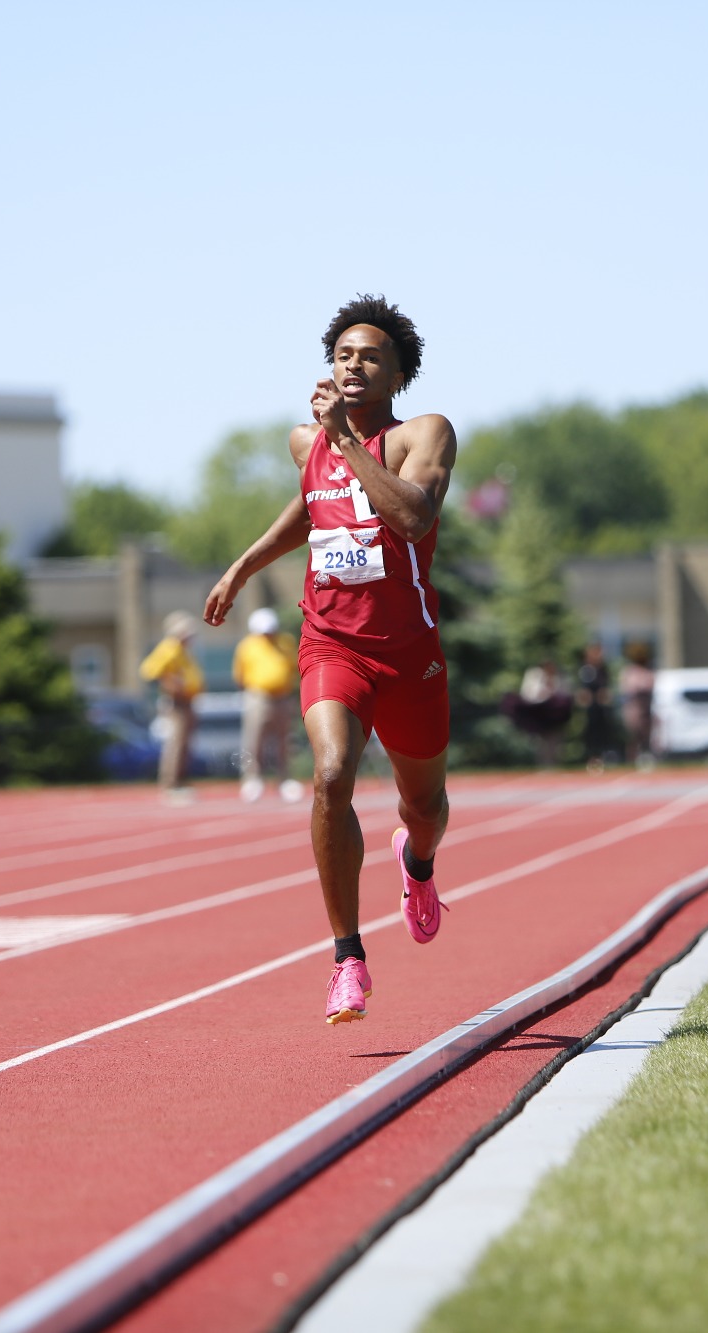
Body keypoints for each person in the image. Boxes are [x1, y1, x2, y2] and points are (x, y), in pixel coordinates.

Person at [203, 295, 455, 1025]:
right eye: (343, 354)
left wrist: (346, 442)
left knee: (424, 807)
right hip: (332, 642)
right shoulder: (304, 442)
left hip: (410, 655)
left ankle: (419, 863)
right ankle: (348, 957)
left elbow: (412, 516)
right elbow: (311, 506)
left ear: (399, 372)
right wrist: (243, 566)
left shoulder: (423, 433)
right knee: (332, 773)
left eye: (371, 355)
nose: (354, 364)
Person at [233, 607, 303, 802]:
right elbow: (239, 674)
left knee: (285, 740)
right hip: (258, 696)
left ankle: (285, 779)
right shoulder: (247, 646)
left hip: (282, 696)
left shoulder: (285, 642)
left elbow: (293, 668)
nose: (268, 634)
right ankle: (252, 779)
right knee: (255, 739)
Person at [139, 611, 204, 802]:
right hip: (176, 702)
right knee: (175, 743)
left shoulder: (182, 650)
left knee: (183, 744)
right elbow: (149, 671)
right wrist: (171, 683)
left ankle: (180, 781)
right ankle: (170, 784)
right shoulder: (170, 648)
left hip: (186, 701)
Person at [509, 658, 573, 767]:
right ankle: (543, 765)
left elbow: (566, 695)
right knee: (541, 744)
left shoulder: (559, 677)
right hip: (539, 715)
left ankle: (554, 765)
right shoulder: (534, 676)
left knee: (555, 742)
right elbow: (527, 694)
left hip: (555, 716)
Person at [575, 641, 619, 770]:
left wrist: (606, 696)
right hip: (591, 709)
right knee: (591, 733)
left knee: (604, 733)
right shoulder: (586, 670)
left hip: (602, 708)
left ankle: (603, 757)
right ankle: (592, 758)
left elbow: (606, 687)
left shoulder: (603, 669)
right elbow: (584, 690)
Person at [618, 641, 656, 767]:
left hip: (646, 708)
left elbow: (651, 687)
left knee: (646, 737)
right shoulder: (630, 672)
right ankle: (631, 760)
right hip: (634, 709)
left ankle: (645, 760)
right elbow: (628, 690)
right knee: (633, 737)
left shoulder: (647, 672)